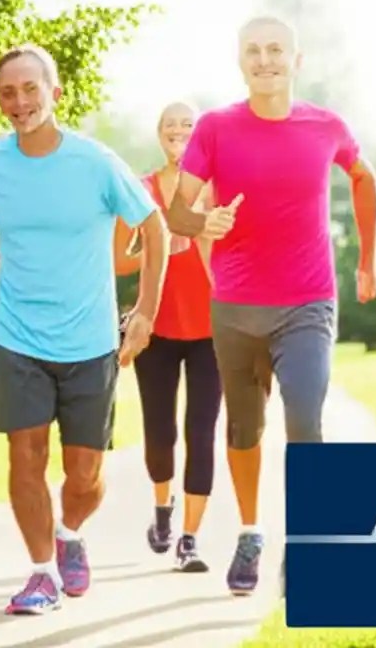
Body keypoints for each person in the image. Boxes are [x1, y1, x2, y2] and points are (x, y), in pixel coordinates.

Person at [0, 44, 176, 616]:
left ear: (55, 92)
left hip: (90, 341)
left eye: (30, 89)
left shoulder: (95, 162)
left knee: (84, 476)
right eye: (7, 92)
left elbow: (154, 227)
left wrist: (145, 312)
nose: (19, 101)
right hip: (19, 337)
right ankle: (41, 571)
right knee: (24, 458)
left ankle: (71, 531)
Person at [163, 15, 376, 596]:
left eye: (276, 50)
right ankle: (251, 531)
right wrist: (201, 220)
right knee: (243, 428)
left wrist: (368, 260)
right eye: (254, 51)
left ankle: (306, 543)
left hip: (308, 303)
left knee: (305, 419)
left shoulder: (326, 126)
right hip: (234, 308)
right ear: (240, 61)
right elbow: (176, 212)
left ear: (297, 59)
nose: (266, 60)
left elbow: (363, 178)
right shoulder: (214, 128)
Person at [114, 101, 222, 574]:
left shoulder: (219, 192)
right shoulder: (140, 191)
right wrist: (162, 244)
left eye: (188, 126)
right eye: (170, 126)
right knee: (160, 433)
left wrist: (197, 230)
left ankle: (191, 540)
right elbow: (119, 261)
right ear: (159, 136)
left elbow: (230, 267)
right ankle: (163, 510)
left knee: (202, 433)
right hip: (154, 327)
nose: (179, 132)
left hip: (212, 331)